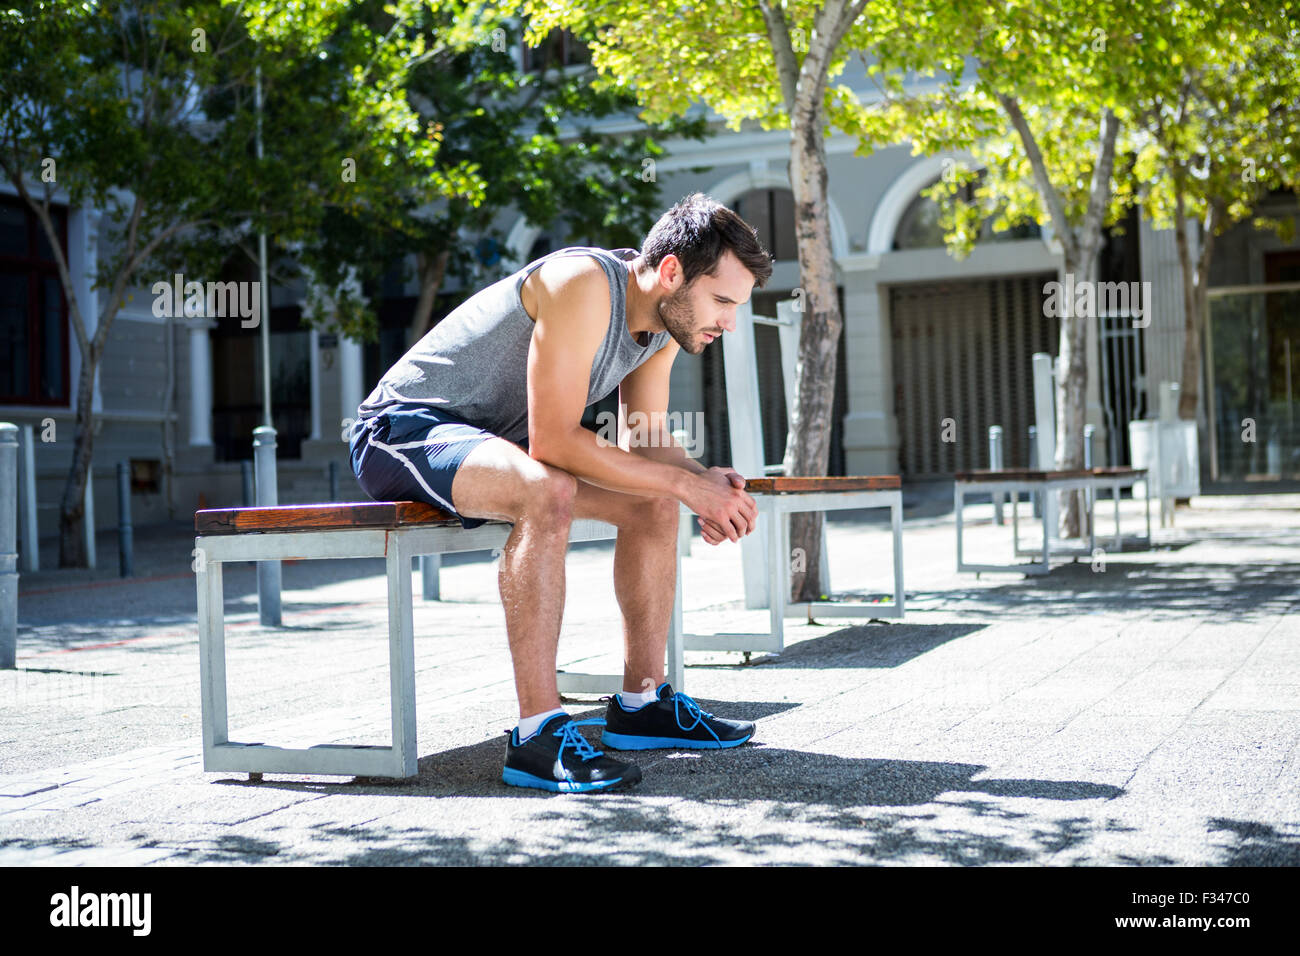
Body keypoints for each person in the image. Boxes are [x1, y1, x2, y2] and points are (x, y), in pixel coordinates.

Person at [348, 193, 773, 792]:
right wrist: (683, 484)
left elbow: (647, 441)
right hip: (405, 430)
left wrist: (699, 479)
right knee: (547, 490)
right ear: (673, 272)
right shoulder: (583, 282)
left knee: (653, 503)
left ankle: (642, 703)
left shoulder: (665, 324)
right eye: (723, 300)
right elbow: (552, 441)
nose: (728, 320)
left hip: (501, 448)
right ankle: (536, 736)